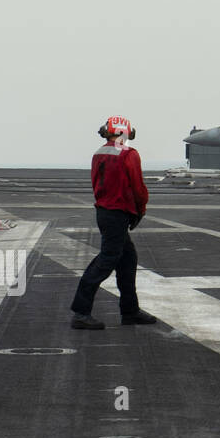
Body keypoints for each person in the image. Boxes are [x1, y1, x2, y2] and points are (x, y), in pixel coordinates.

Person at [70, 116, 156, 329]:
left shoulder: (99, 153)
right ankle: (80, 312)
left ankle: (130, 311)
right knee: (107, 260)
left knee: (128, 259)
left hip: (104, 211)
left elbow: (96, 182)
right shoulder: (129, 154)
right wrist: (140, 210)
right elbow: (138, 188)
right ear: (127, 133)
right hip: (118, 213)